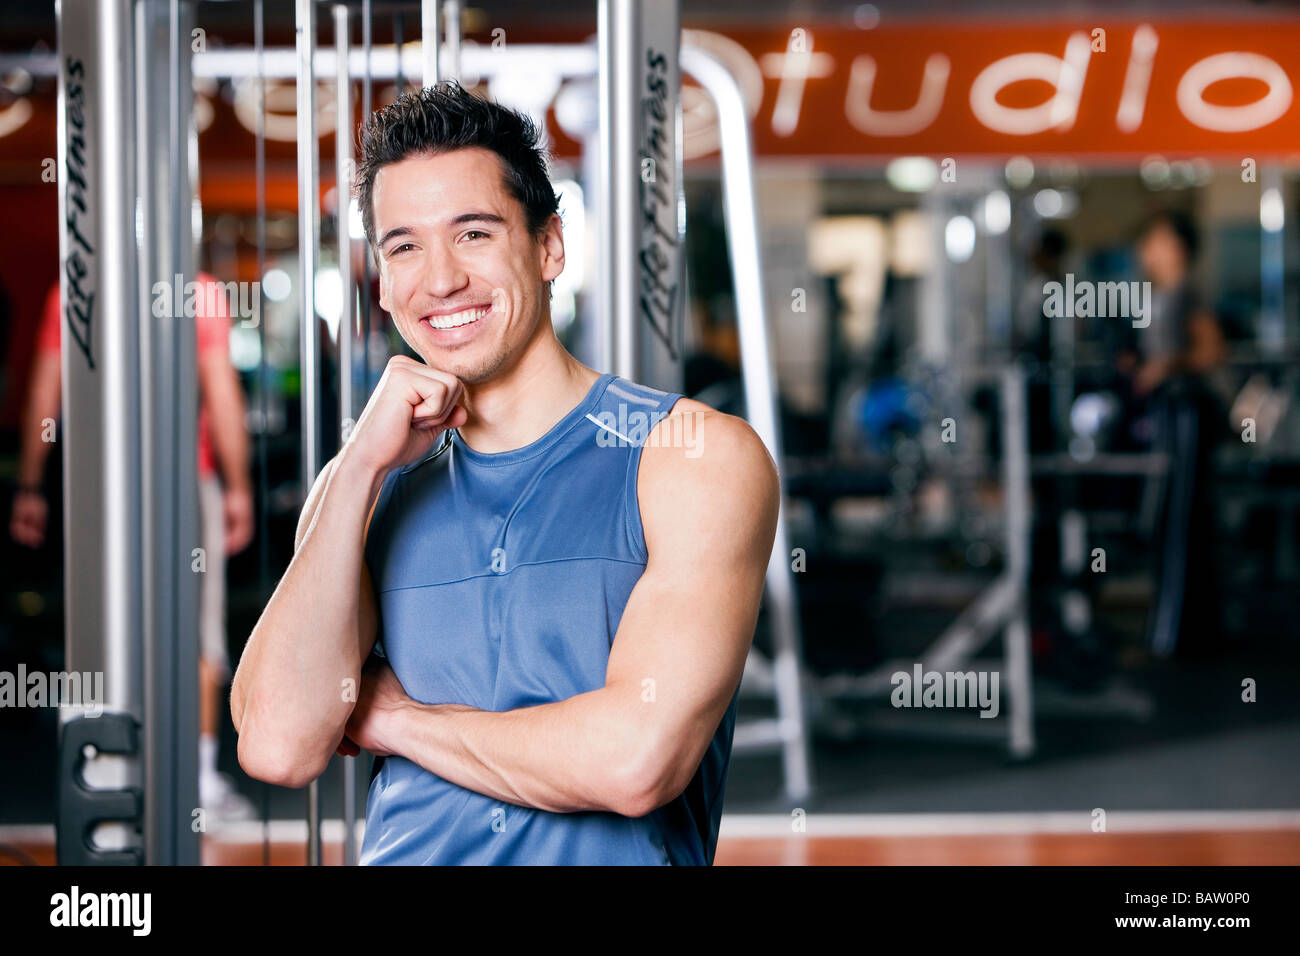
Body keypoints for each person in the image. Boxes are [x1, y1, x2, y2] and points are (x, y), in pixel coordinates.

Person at [230, 81, 779, 865]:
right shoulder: (365, 484)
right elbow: (279, 746)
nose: (441, 279)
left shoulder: (691, 457)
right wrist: (355, 468)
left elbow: (636, 761)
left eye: (474, 234)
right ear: (382, 282)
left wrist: (393, 720)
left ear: (550, 245)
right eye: (404, 246)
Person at [10, 274, 257, 819]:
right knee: (197, 629)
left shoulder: (76, 287)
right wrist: (236, 487)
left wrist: (31, 484)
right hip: (182, 479)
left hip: (99, 484)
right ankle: (197, 781)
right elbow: (220, 394)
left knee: (101, 622)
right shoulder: (200, 291)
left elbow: (45, 393)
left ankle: (103, 770)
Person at [1132, 210, 1228, 659]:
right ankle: (1185, 631)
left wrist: (1168, 365)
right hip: (1168, 414)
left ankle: (1174, 636)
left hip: (1187, 414)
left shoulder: (1186, 294)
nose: (1146, 249)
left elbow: (1211, 351)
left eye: (1155, 239)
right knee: (1170, 520)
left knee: (1180, 524)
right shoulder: (1161, 295)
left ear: (1177, 246)